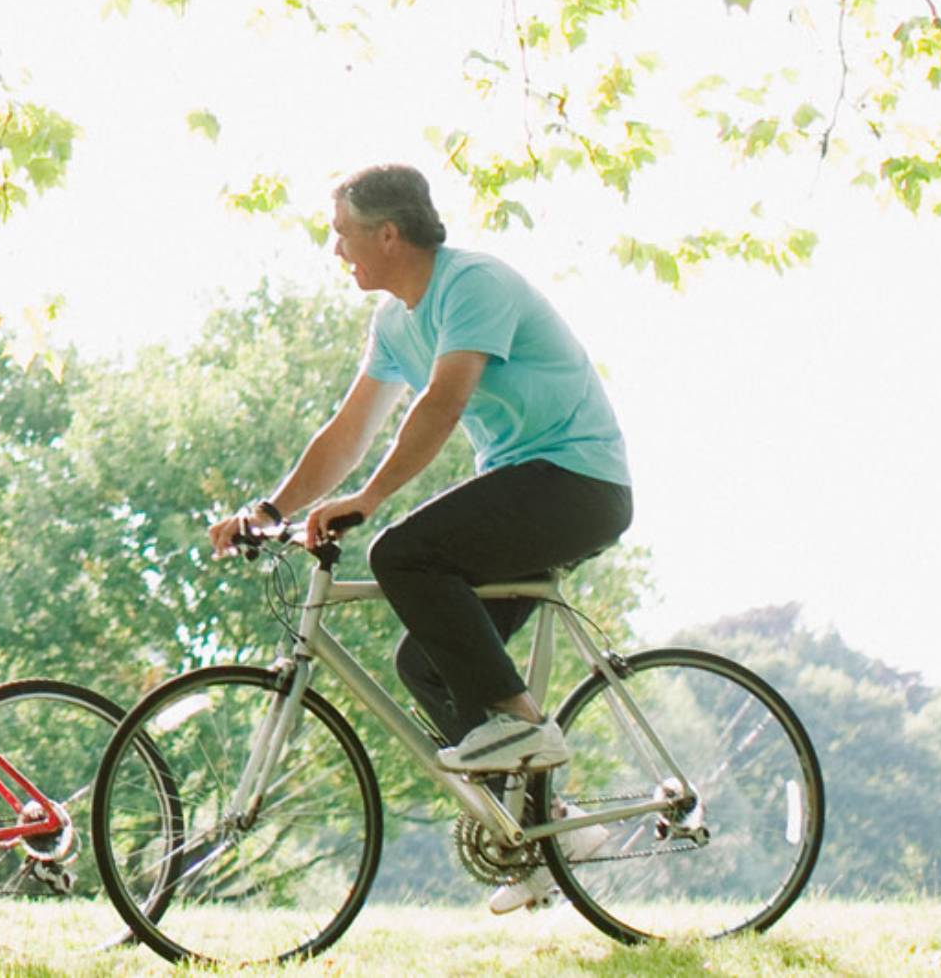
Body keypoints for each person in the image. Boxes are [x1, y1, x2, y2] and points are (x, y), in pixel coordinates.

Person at [211, 162, 635, 914]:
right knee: (428, 662)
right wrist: (270, 511)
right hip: (525, 485)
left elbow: (443, 402)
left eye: (342, 234)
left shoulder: (472, 285)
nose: (336, 251)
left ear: (388, 232)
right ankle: (544, 837)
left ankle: (527, 731)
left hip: (577, 483)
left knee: (402, 552)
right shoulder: (396, 322)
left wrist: (371, 501)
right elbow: (348, 432)